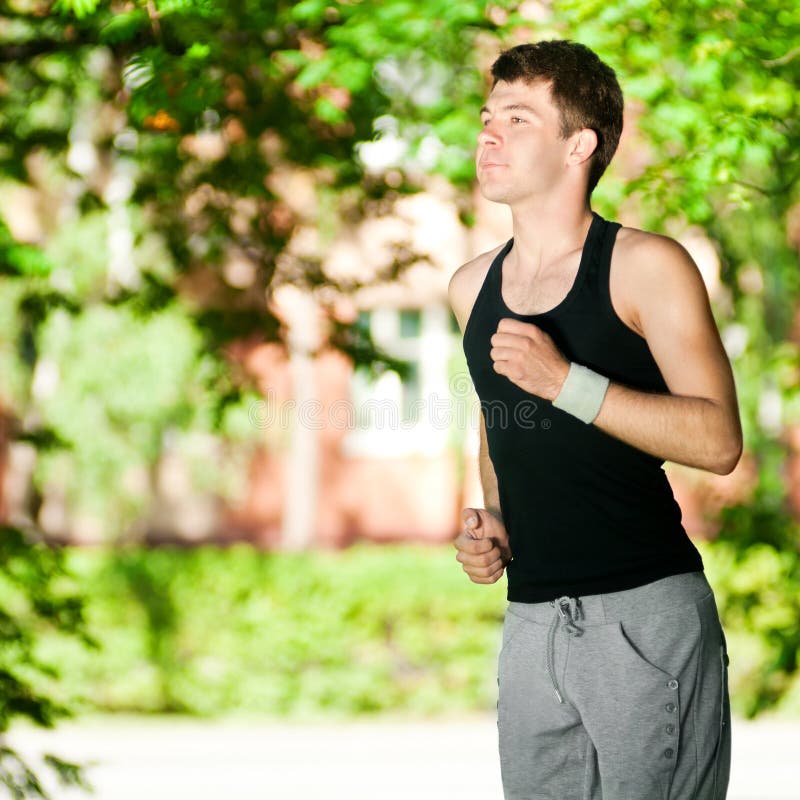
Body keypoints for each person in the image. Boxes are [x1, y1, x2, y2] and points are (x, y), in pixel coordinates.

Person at [447, 39, 742, 800]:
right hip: (532, 622)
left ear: (580, 144)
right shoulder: (471, 286)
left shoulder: (649, 266)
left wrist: (567, 382)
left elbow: (718, 442)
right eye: (487, 115)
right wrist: (496, 518)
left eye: (517, 118)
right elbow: (499, 418)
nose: (488, 134)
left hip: (644, 617)